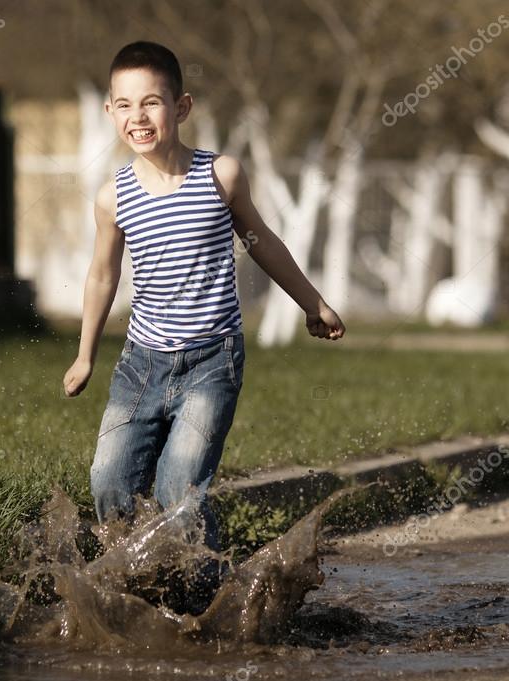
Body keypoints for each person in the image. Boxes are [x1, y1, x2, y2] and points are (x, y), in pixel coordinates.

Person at [62, 40, 345, 551]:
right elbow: (102, 275)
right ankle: (133, 587)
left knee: (179, 491)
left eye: (151, 102)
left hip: (212, 363)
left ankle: (208, 592)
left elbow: (264, 245)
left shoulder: (220, 175)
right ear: (109, 111)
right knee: (109, 485)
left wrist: (313, 303)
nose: (138, 116)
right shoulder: (113, 197)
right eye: (124, 105)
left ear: (181, 107)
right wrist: (85, 355)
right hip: (139, 366)